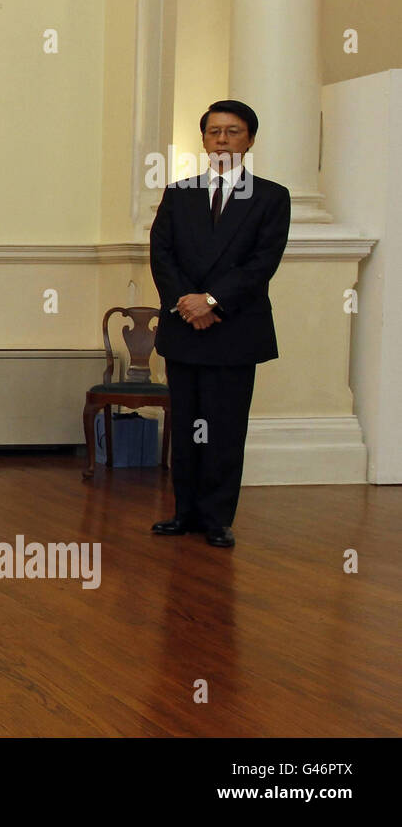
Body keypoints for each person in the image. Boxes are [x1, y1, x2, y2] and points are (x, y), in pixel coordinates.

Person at [148, 99, 290, 548]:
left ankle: (216, 518)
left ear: (249, 139)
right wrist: (186, 304)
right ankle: (183, 512)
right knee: (189, 425)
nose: (222, 139)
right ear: (204, 139)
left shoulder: (271, 196)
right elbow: (162, 255)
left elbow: (262, 262)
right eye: (214, 132)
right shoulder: (179, 192)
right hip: (184, 326)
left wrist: (211, 301)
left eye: (232, 131)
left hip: (234, 329)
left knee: (225, 427)